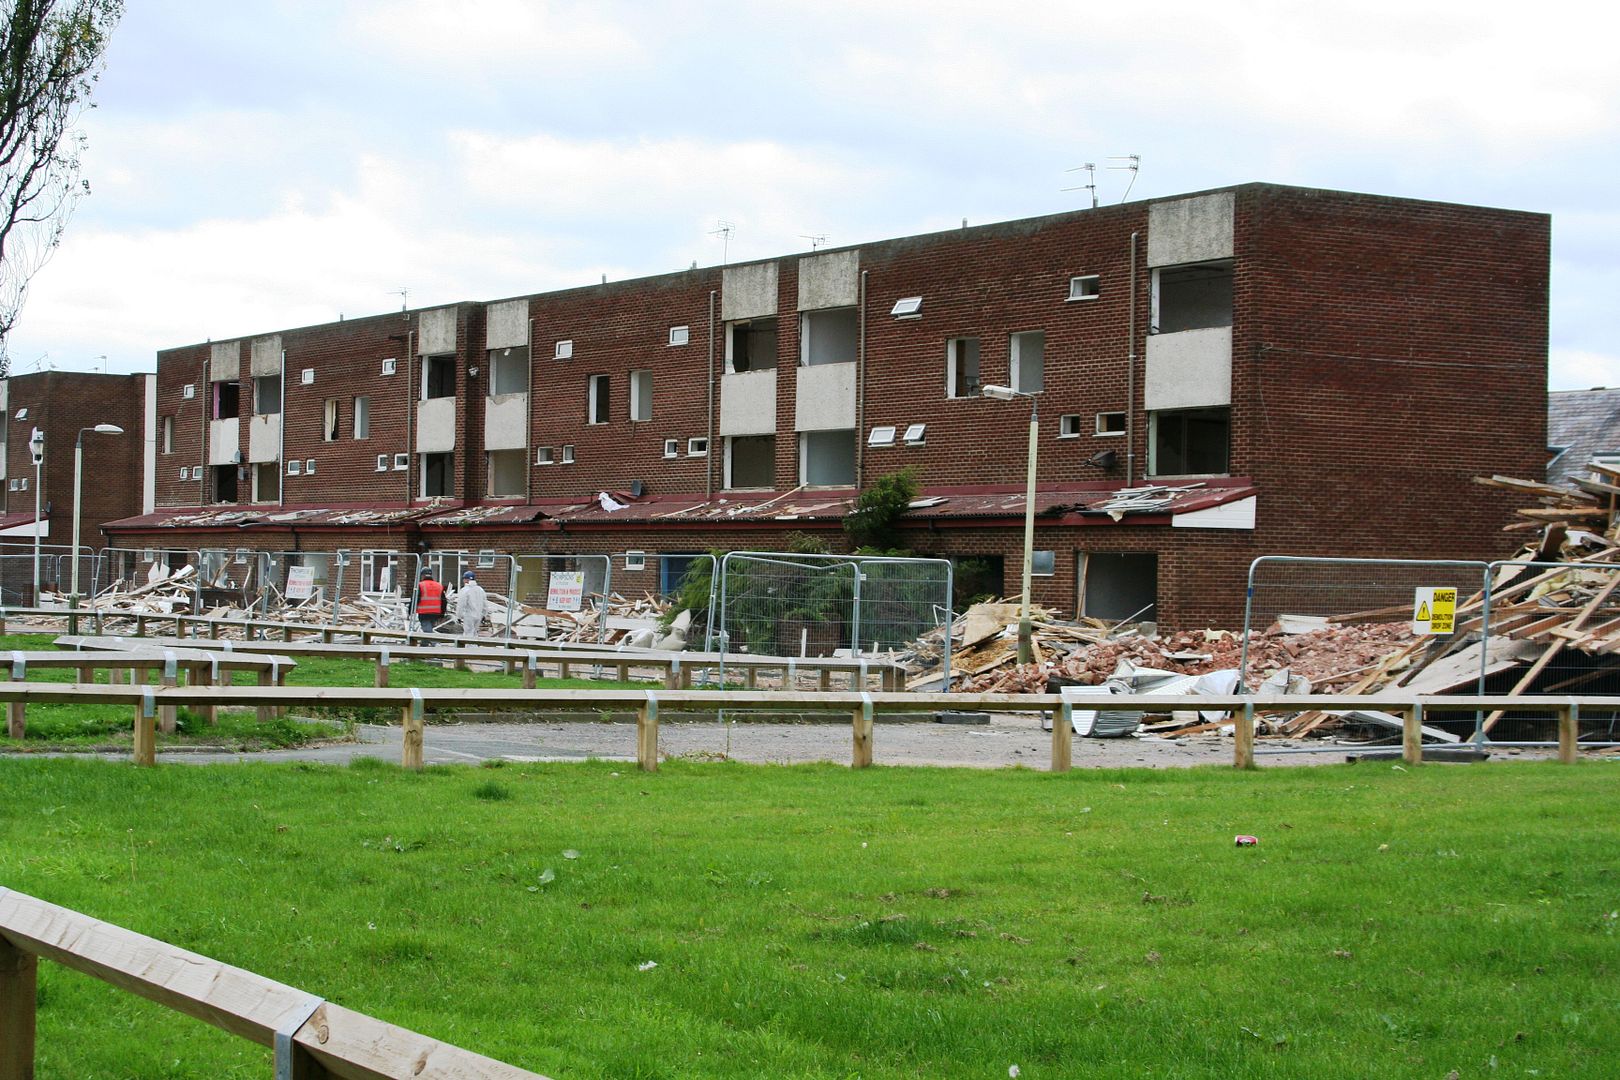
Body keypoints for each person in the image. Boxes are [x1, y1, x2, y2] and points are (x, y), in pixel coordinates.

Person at [456, 570, 488, 637]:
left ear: (466, 579)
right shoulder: (480, 590)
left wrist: (459, 616)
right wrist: (484, 615)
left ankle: (469, 647)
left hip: (469, 616)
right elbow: (485, 604)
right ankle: (474, 646)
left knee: (468, 634)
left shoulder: (464, 590)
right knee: (475, 633)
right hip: (479, 615)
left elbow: (461, 605)